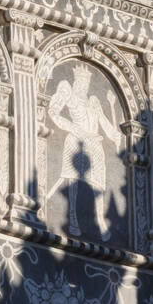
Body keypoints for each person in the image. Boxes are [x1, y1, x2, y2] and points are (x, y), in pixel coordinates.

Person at [47, 64, 120, 236]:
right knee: (72, 181)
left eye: (85, 82)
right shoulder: (69, 94)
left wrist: (114, 134)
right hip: (75, 139)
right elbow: (53, 112)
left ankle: (100, 219)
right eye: (80, 82)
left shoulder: (93, 101)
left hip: (94, 144)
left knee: (98, 183)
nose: (83, 86)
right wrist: (72, 127)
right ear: (76, 81)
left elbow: (103, 121)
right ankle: (72, 217)